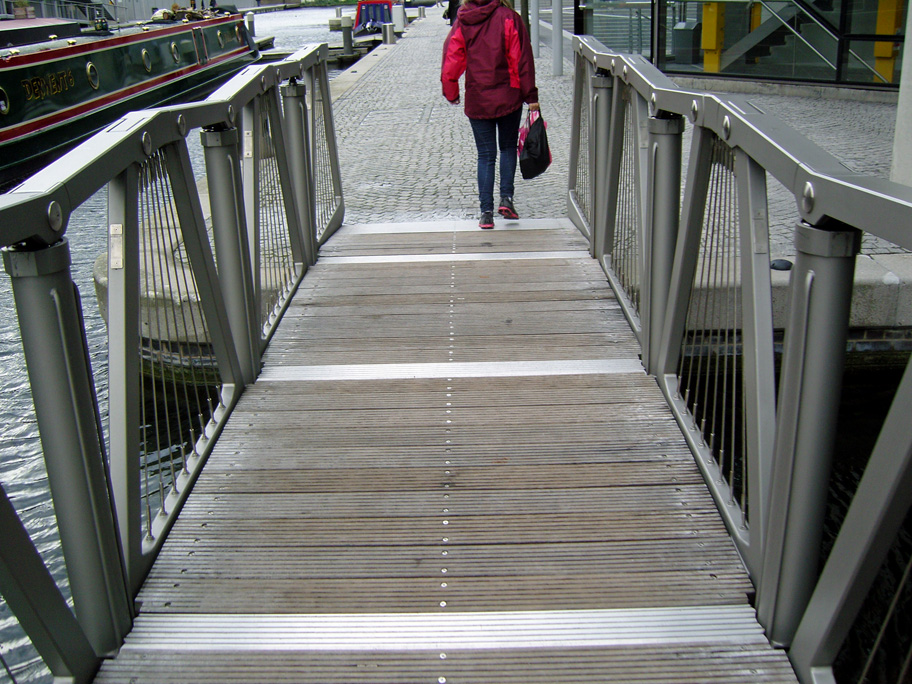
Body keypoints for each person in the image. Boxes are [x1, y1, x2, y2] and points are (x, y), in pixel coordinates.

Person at [441, 0, 540, 229]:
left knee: (485, 155)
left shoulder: (463, 20)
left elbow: (451, 58)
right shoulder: (509, 18)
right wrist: (530, 95)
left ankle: (486, 213)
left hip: (478, 98)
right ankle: (506, 199)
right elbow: (522, 59)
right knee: (507, 148)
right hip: (508, 95)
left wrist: (451, 91)